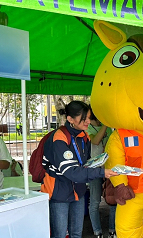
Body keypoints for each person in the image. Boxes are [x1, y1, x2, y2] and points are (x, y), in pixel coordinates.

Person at [40, 101, 118, 238]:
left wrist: (96, 162)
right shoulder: (59, 138)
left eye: (89, 117)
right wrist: (101, 172)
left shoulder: (83, 137)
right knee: (59, 234)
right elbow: (72, 172)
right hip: (59, 194)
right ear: (70, 119)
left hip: (78, 192)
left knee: (76, 233)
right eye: (84, 118)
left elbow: (83, 164)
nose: (88, 121)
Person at [86, 108, 116, 238]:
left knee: (113, 199)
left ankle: (112, 230)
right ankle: (97, 231)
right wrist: (106, 124)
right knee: (95, 202)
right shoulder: (88, 128)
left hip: (108, 166)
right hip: (94, 169)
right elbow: (95, 141)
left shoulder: (108, 128)